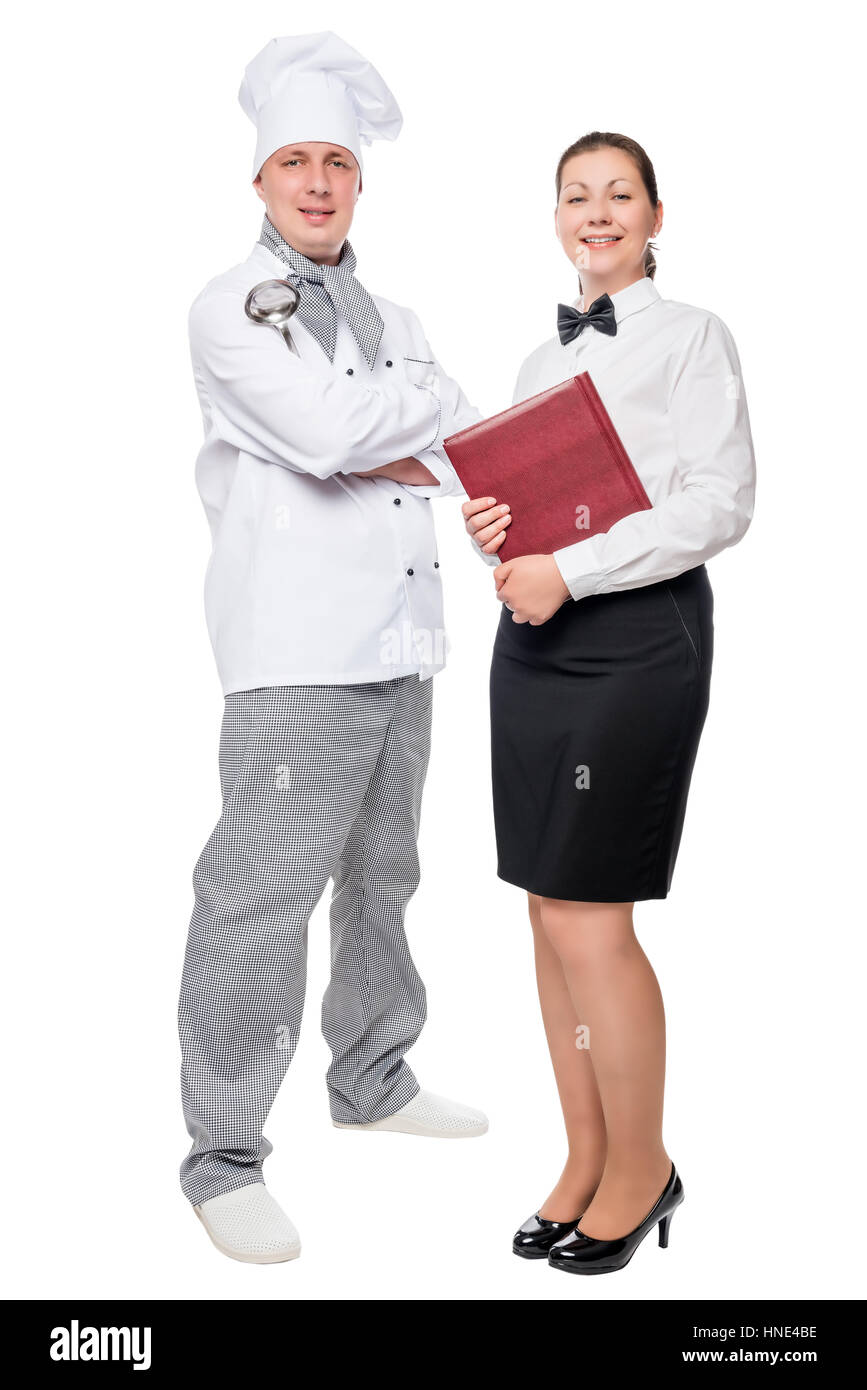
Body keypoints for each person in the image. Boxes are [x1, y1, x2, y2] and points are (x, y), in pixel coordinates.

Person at [177, 31, 488, 1267]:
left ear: (360, 181)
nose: (318, 182)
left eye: (339, 164)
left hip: (403, 637)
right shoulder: (226, 307)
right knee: (261, 897)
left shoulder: (394, 315)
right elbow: (320, 432)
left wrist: (388, 433)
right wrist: (398, 425)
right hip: (299, 648)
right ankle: (222, 1156)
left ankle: (372, 1073)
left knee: (386, 875)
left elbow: (463, 441)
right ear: (259, 178)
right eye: (296, 162)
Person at [462, 131, 756, 1275]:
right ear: (556, 220)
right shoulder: (538, 361)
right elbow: (533, 518)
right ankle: (585, 1154)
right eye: (576, 196)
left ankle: (644, 1164)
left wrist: (570, 571)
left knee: (593, 915)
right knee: (546, 910)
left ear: (654, 216)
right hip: (535, 641)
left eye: (618, 194)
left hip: (637, 640)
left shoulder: (695, 337)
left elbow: (721, 501)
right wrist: (494, 533)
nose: (596, 212)